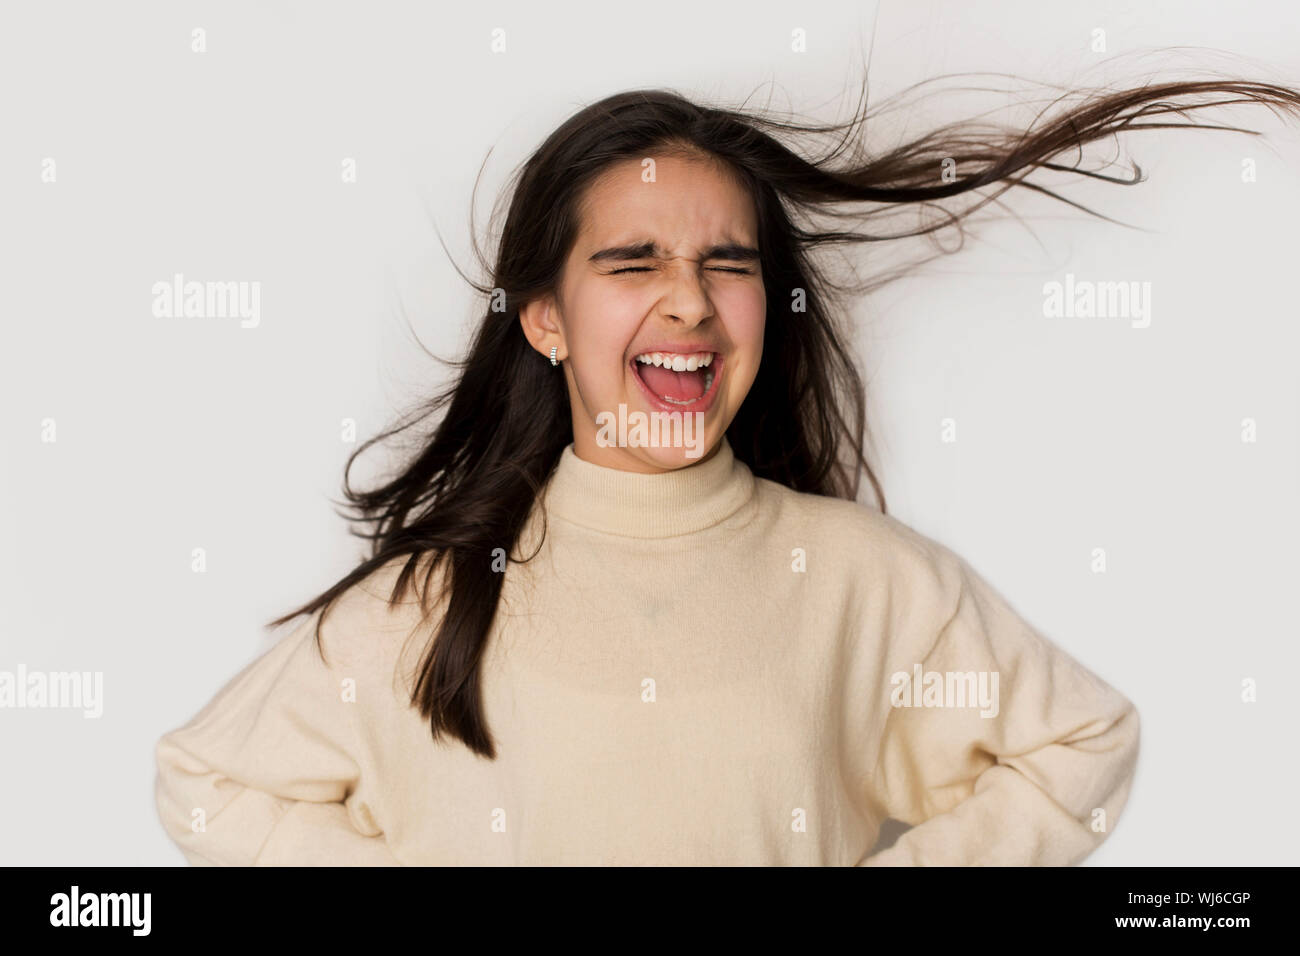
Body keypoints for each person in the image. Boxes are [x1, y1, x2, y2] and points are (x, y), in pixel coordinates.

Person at [154, 74, 1300, 865]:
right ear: (545, 318)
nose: (690, 301)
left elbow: (1080, 741)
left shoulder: (864, 579)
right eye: (633, 261)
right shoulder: (430, 598)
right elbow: (205, 778)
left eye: (725, 263)